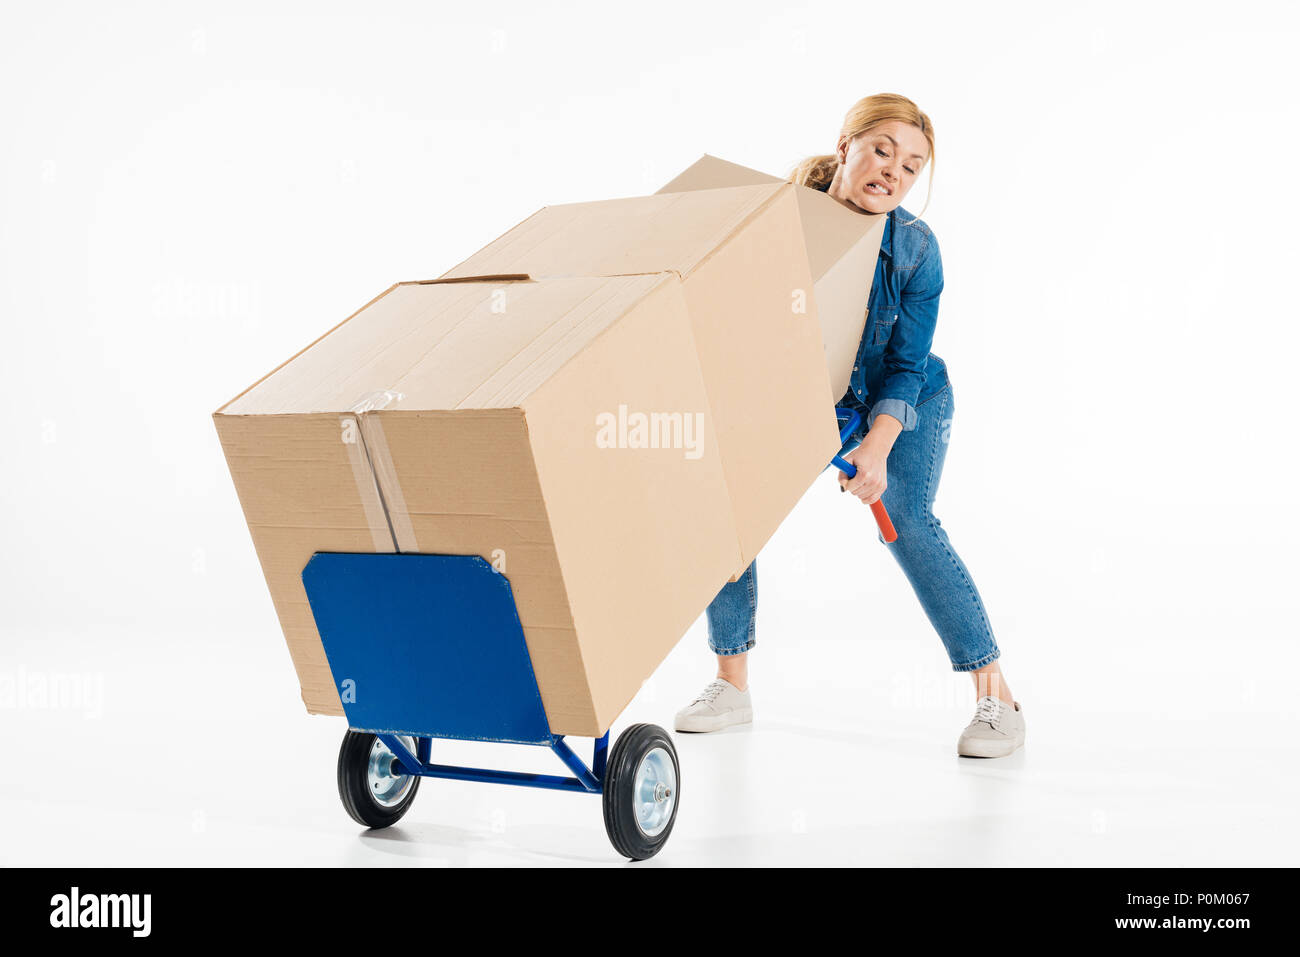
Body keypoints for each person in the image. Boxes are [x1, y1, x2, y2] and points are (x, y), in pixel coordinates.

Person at [673, 93, 1025, 758]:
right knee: (729, 512)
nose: (895, 172)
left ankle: (997, 696)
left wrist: (878, 444)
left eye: (913, 166)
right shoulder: (778, 223)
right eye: (883, 150)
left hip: (904, 396)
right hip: (806, 400)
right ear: (845, 147)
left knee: (908, 521)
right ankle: (731, 684)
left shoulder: (917, 249)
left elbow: (907, 366)